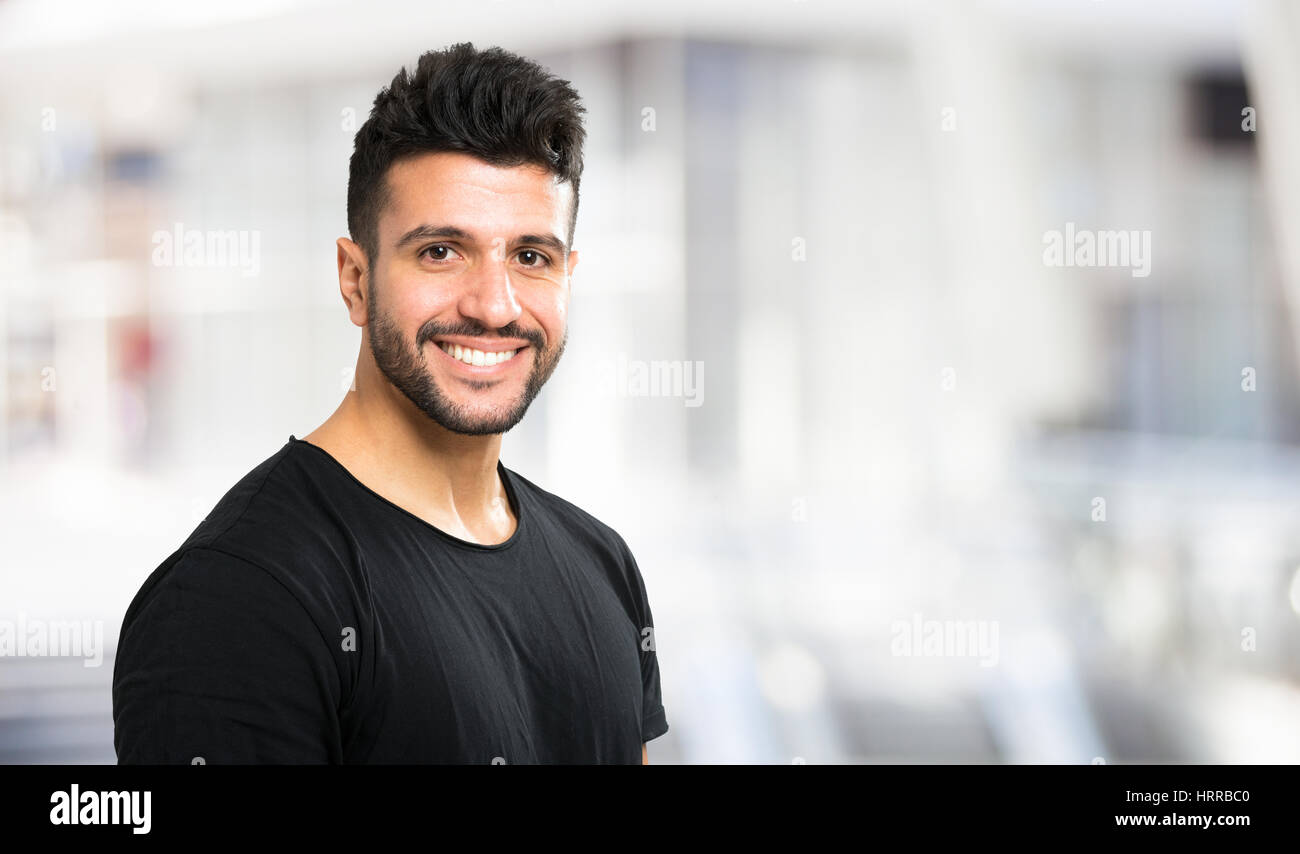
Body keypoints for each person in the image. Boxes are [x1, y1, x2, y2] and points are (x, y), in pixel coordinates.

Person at [112, 42, 668, 764]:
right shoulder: (240, 597)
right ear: (354, 279)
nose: (494, 307)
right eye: (441, 251)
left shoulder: (604, 565)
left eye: (532, 257)